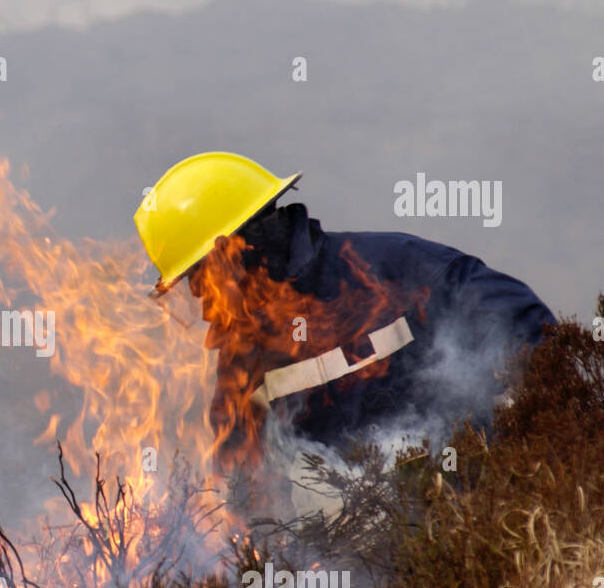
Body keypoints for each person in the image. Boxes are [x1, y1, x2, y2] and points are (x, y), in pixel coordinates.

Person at [133, 152, 557, 460]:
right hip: (361, 570)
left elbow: (537, 340)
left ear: (235, 255)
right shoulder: (243, 374)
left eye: (200, 284)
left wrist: (499, 457)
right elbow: (244, 492)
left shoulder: (397, 274)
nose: (203, 308)